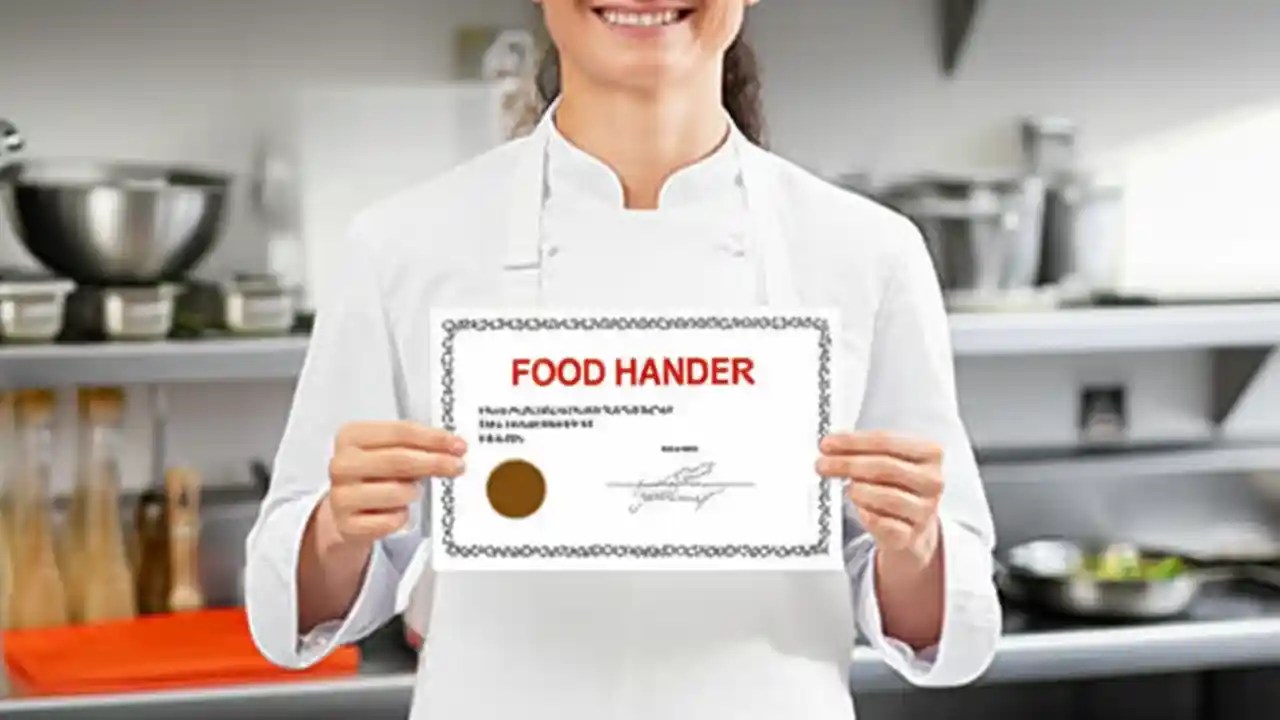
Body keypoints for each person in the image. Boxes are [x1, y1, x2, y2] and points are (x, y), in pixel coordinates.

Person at [245, 1, 1001, 718]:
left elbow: (955, 633)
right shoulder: (399, 247)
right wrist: (337, 530)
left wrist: (915, 546)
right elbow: (285, 618)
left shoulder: (870, 252)